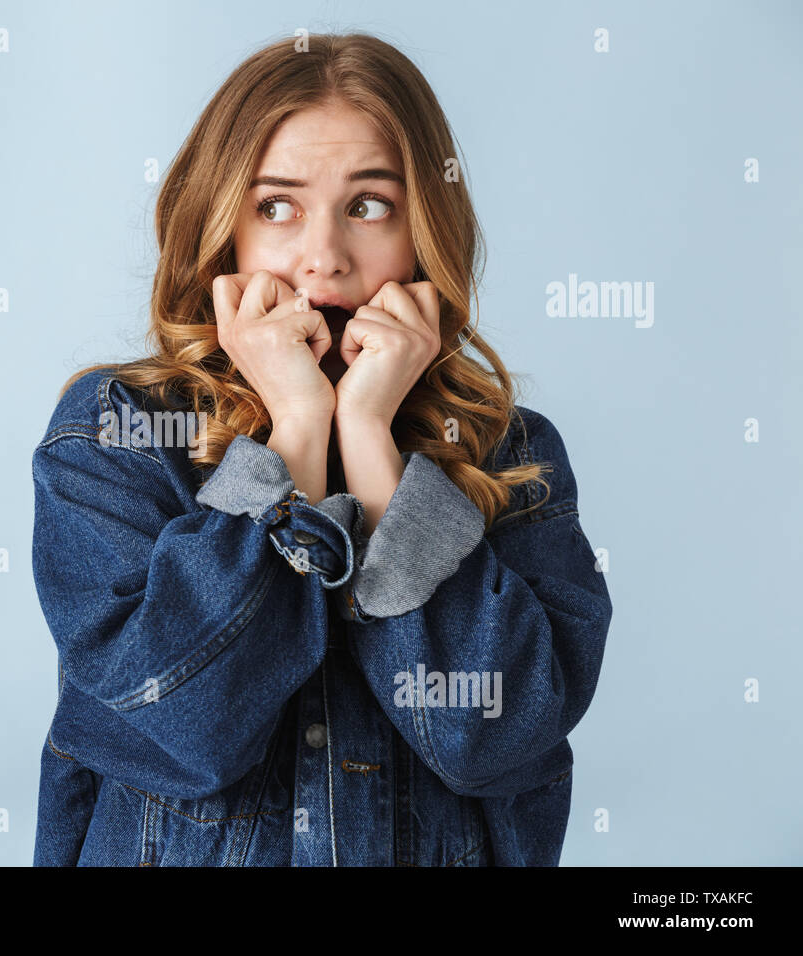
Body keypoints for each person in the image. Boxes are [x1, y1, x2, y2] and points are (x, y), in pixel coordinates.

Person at [30, 32, 612, 866]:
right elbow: (183, 727)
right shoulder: (117, 433)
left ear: (424, 231)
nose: (326, 259)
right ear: (223, 228)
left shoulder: (509, 456)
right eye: (277, 207)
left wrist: (371, 450)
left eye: (368, 205)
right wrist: (297, 433)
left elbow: (500, 738)